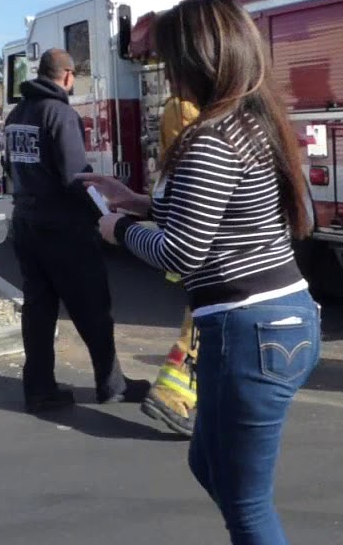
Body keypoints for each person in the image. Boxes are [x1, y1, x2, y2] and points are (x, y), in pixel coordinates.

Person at [80, 0, 320, 544]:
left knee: (247, 506)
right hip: (263, 325)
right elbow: (213, 213)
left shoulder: (211, 138)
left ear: (200, 59)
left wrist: (118, 229)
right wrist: (135, 200)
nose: (165, 73)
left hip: (251, 330)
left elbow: (180, 253)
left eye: (169, 60)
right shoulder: (249, 123)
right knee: (207, 465)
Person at [3, 48, 148, 412]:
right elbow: (75, 176)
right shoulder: (61, 114)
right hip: (63, 230)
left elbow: (9, 167)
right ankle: (111, 385)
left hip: (26, 223)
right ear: (67, 76)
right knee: (92, 307)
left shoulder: (17, 113)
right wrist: (104, 214)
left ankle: (39, 389)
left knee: (38, 310)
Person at [139, 95, 202, 437]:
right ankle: (171, 395)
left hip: (190, 230)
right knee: (201, 327)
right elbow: (188, 160)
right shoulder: (186, 107)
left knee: (201, 321)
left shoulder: (180, 105)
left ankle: (184, 395)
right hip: (201, 243)